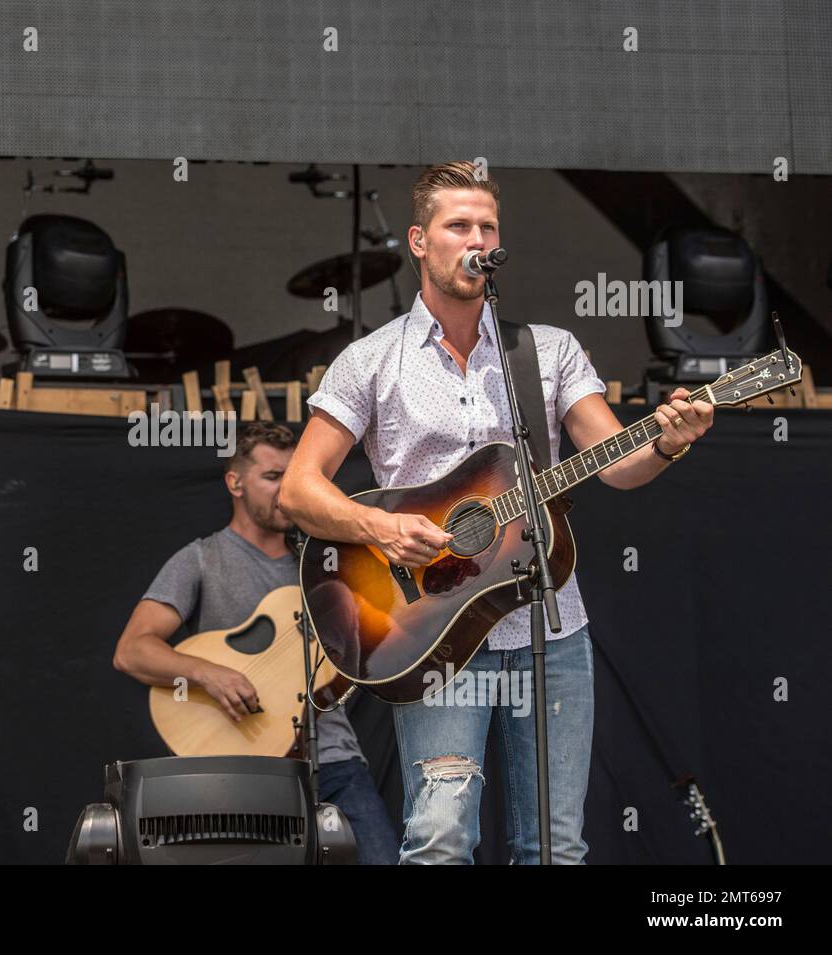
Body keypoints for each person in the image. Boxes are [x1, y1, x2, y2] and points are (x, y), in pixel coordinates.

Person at [279, 160, 713, 864]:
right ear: (420, 241)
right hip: (430, 629)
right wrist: (384, 528)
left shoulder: (547, 351)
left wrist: (667, 442)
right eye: (459, 226)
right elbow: (299, 490)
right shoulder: (370, 360)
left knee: (556, 846)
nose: (477, 238)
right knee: (443, 837)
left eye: (488, 226)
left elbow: (617, 462)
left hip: (550, 625)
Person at [113, 422, 402, 864]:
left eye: (293, 477)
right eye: (272, 477)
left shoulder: (321, 566)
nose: (287, 489)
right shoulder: (201, 559)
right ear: (235, 483)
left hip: (333, 757)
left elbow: (362, 660)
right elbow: (132, 650)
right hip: (242, 764)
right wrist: (209, 674)